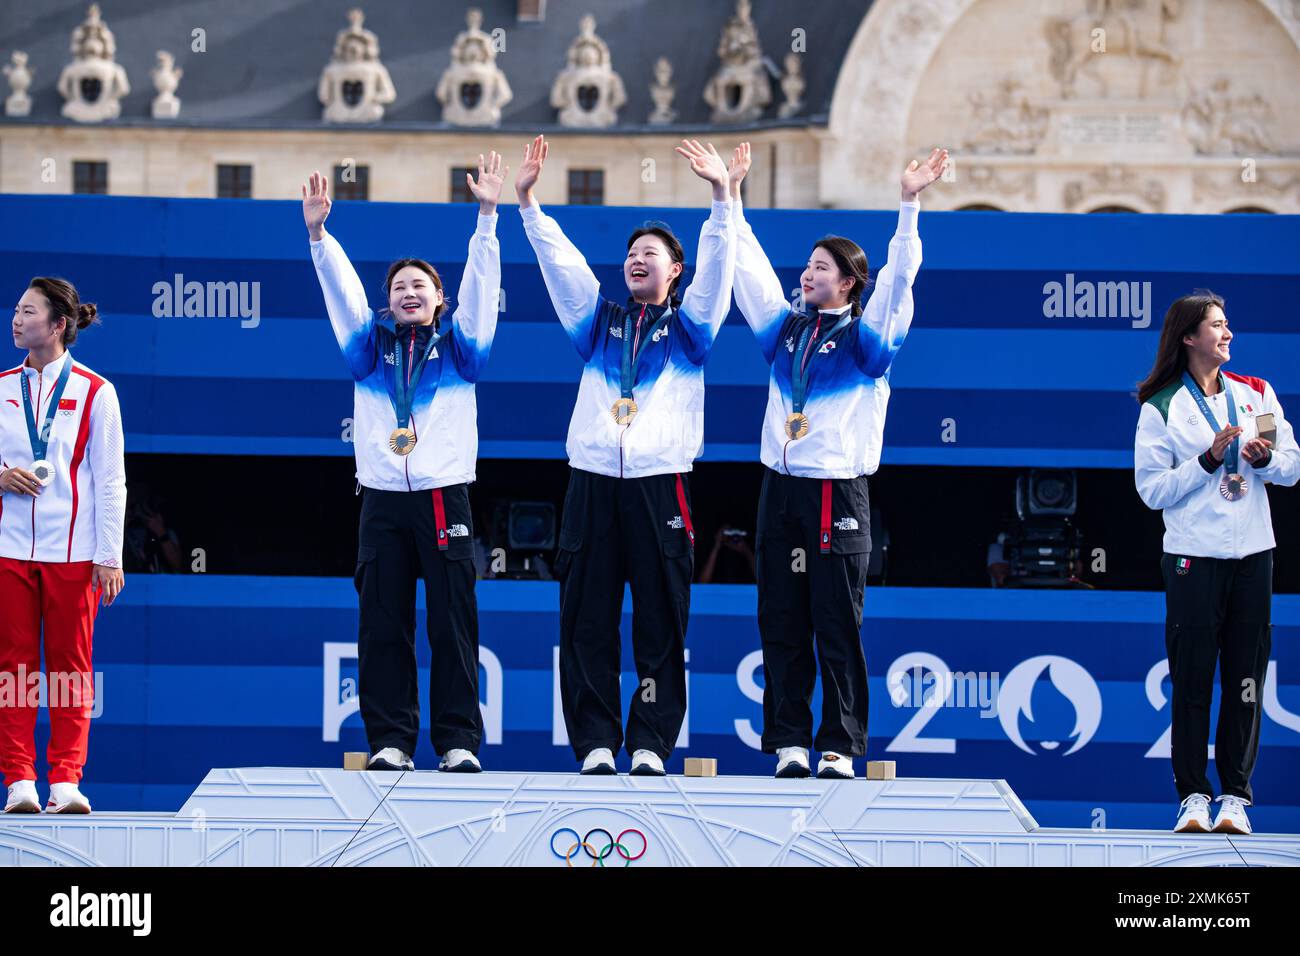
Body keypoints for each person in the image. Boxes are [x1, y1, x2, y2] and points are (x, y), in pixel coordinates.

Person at [515, 134, 734, 775]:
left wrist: (722, 199)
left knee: (660, 622)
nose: (637, 260)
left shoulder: (692, 330)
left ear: (676, 272)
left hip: (658, 484)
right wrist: (528, 204)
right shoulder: (598, 322)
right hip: (590, 484)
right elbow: (563, 268)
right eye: (632, 253)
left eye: (652, 255)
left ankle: (649, 744)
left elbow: (719, 272)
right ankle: (596, 745)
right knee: (587, 619)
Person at [728, 141, 948, 779]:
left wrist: (908, 207)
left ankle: (840, 745)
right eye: (807, 265)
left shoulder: (869, 339)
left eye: (821, 268)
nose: (806, 274)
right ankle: (790, 742)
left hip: (837, 493)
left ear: (849, 282)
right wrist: (730, 197)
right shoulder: (785, 331)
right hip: (780, 489)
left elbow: (900, 279)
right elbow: (749, 275)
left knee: (837, 621)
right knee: (781, 618)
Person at [304, 152, 505, 774]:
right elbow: (341, 295)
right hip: (383, 500)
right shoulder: (368, 347)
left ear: (440, 299)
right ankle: (390, 740)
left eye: (421, 286)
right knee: (382, 627)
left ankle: (458, 743)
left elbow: (479, 289)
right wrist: (318, 237)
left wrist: (488, 220)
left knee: (453, 627)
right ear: (386, 303)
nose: (410, 293)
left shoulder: (463, 347)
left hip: (446, 496)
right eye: (399, 288)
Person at [1134, 291, 1297, 834]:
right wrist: (1206, 461)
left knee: (1247, 679)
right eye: (1217, 326)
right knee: (1193, 679)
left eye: (1227, 325)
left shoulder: (1257, 395)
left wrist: (1266, 457)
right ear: (1189, 337)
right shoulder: (1160, 406)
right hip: (1192, 558)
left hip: (1254, 553)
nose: (1228, 334)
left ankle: (1234, 797)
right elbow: (1152, 491)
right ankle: (1193, 797)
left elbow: (1292, 468)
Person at [1, 277, 125, 814]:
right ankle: (20, 782)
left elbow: (110, 479)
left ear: (57, 325)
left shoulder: (96, 391)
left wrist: (109, 555)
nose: (15, 319)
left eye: (28, 311)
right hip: (9, 549)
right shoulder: (1, 387)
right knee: (14, 670)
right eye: (15, 311)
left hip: (74, 552)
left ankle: (67, 782)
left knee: (71, 668)